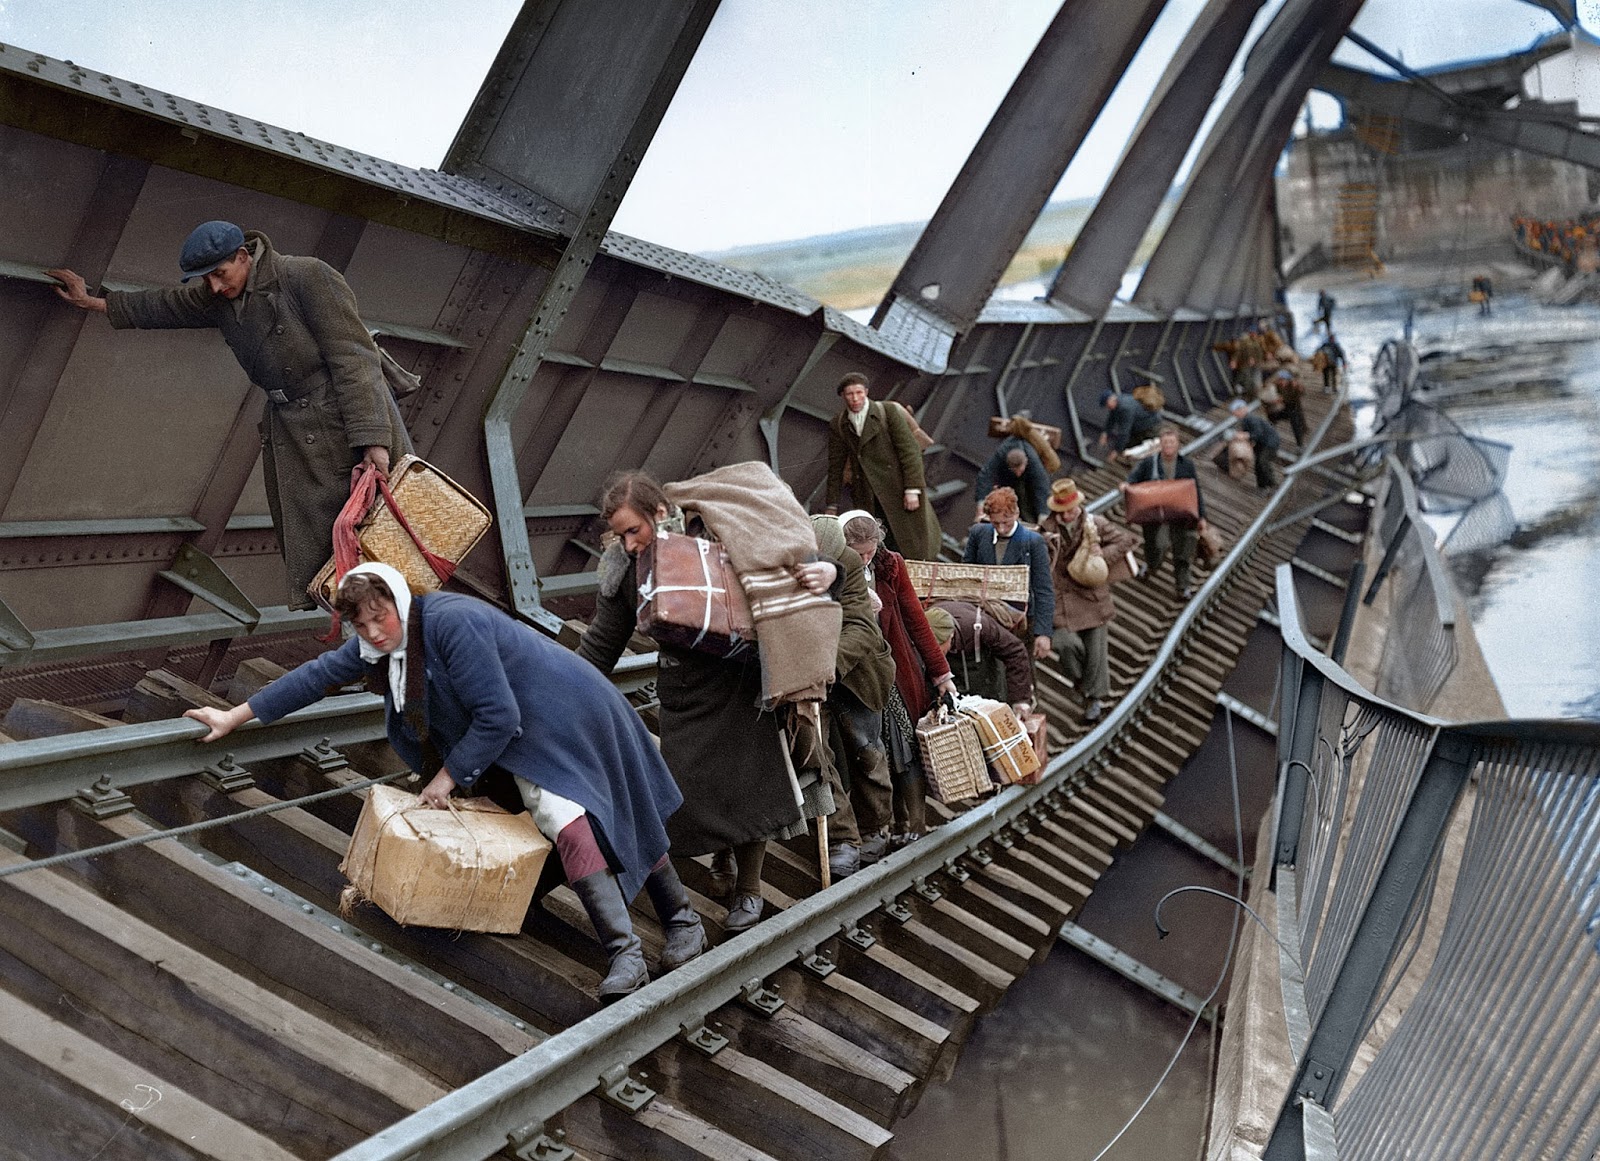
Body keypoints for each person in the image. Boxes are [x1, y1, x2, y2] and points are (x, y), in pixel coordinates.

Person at [185, 562, 699, 1003]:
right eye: (361, 625)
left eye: (380, 616)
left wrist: (447, 780)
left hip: (567, 715)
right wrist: (237, 716)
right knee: (597, 815)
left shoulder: (452, 624)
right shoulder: (381, 644)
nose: (375, 632)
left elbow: (498, 716)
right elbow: (316, 676)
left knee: (572, 818)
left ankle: (635, 948)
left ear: (400, 601)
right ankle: (677, 923)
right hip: (531, 723)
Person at [48, 222, 413, 609]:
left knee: (383, 538)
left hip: (344, 425)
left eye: (220, 274)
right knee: (335, 554)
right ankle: (367, 633)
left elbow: (355, 360)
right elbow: (168, 305)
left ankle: (404, 629)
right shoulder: (221, 297)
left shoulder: (306, 276)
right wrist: (94, 302)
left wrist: (374, 441)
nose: (215, 287)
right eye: (207, 280)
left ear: (244, 256)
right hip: (294, 431)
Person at [578, 472, 837, 935]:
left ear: (659, 512)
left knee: (749, 785)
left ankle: (750, 891)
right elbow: (603, 641)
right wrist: (565, 682)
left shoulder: (720, 533)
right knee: (686, 790)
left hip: (740, 684)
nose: (629, 543)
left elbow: (783, 564)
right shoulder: (625, 566)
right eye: (620, 535)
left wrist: (827, 570)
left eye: (633, 530)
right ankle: (712, 866)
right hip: (686, 694)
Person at [841, 511, 957, 844]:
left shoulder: (890, 565)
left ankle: (915, 824)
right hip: (856, 674)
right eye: (858, 553)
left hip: (893, 670)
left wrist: (941, 673)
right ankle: (886, 825)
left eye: (869, 551)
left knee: (903, 743)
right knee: (874, 753)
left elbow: (916, 620)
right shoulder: (834, 568)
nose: (865, 559)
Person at [812, 514, 896, 879]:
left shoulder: (847, 561)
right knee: (817, 759)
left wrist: (829, 664)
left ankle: (877, 826)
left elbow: (862, 627)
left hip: (855, 673)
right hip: (806, 677)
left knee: (865, 751)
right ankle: (844, 839)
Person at [1038, 479, 1138, 723]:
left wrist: (1102, 555)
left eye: (1074, 508)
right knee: (1064, 644)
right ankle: (1083, 685)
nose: (1071, 513)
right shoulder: (1046, 530)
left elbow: (1126, 540)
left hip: (1092, 595)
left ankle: (1093, 699)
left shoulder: (1094, 524)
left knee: (1096, 652)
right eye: (1066, 511)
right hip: (1061, 598)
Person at [826, 372, 938, 560]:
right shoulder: (839, 424)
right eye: (850, 394)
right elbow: (835, 466)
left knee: (911, 541)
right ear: (843, 396)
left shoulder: (888, 412)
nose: (855, 398)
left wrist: (912, 489)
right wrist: (832, 504)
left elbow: (909, 451)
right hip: (867, 494)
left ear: (866, 392)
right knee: (878, 542)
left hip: (898, 489)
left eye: (859, 393)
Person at [961, 487, 1055, 662]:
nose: (1002, 529)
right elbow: (967, 574)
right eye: (996, 523)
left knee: (1020, 669)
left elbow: (1043, 589)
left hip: (1020, 620)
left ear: (1016, 514)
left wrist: (1043, 633)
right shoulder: (979, 534)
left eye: (1006, 522)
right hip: (985, 615)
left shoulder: (1033, 542)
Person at [1126, 427, 1209, 599]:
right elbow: (1133, 478)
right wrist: (1127, 485)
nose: (1169, 446)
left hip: (1180, 513)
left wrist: (1201, 516)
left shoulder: (1186, 464)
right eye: (1165, 442)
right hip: (1157, 513)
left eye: (1172, 442)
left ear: (1178, 444)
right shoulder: (1150, 463)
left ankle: (1183, 586)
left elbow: (1195, 490)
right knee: (1157, 545)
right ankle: (1151, 565)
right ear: (1160, 444)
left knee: (1183, 551)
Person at [925, 601, 1034, 713]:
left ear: (950, 635)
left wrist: (1020, 699)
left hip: (982, 674)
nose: (936, 653)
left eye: (939, 648)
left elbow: (1015, 650)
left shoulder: (980, 626)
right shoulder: (920, 630)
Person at [974, 436, 1051, 525]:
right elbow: (985, 476)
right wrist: (980, 505)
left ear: (1025, 461)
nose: (1018, 473)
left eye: (1020, 470)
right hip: (1006, 478)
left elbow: (1042, 487)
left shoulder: (1033, 461)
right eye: (1015, 471)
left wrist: (1043, 516)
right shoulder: (1001, 454)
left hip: (1028, 481)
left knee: (1026, 502)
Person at [1220, 399, 1279, 489]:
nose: (1235, 415)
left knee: (1263, 462)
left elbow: (1257, 433)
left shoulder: (1251, 419)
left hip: (1269, 443)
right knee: (1258, 464)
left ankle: (1272, 484)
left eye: (1235, 412)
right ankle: (1262, 486)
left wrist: (1245, 436)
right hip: (1261, 444)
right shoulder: (1245, 421)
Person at [1098, 388, 1162, 461]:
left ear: (1110, 400)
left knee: (1132, 451)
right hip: (1140, 427)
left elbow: (1124, 432)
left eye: (1107, 405)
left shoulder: (1125, 409)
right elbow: (1111, 420)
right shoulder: (1119, 402)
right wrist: (1105, 433)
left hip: (1149, 428)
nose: (1107, 408)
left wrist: (1116, 451)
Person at [1264, 367, 1307, 448]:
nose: (1282, 382)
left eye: (1284, 380)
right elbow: (1266, 396)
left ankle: (1300, 444)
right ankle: (1269, 436)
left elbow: (1299, 394)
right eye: (1280, 380)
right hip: (1279, 409)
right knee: (1272, 418)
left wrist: (1283, 398)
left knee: (1295, 420)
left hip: (1291, 408)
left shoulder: (1293, 386)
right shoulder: (1275, 385)